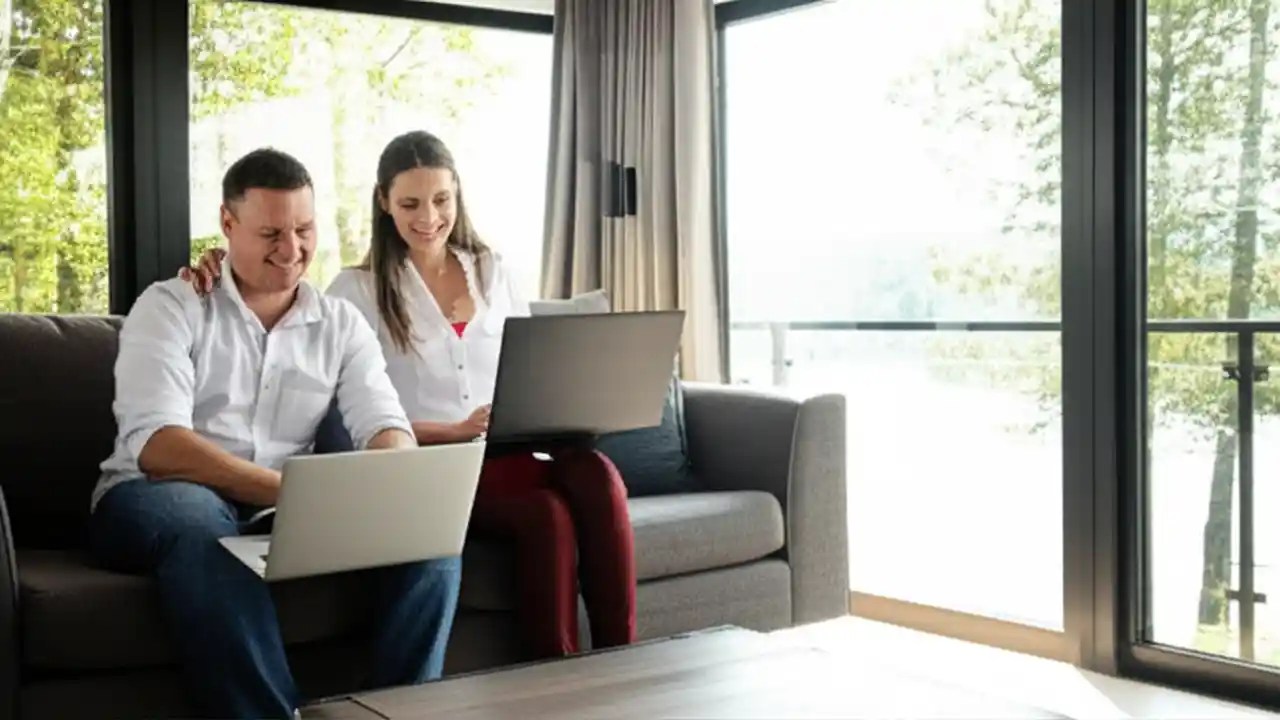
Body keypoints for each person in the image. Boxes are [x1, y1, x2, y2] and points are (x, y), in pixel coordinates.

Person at [182, 130, 637, 660]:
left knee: (597, 474)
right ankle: (556, 678)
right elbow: (341, 420)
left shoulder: (496, 273)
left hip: (511, 448)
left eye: (441, 199)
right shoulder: (355, 292)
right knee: (547, 516)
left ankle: (621, 662)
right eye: (410, 203)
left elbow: (530, 375)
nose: (429, 217)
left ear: (458, 195)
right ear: (384, 203)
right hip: (437, 465)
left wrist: (561, 412)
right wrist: (454, 430)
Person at [95, 148, 463, 720]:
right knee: (204, 531)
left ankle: (394, 712)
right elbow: (158, 445)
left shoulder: (340, 324)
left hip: (283, 508)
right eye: (270, 233)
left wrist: (390, 483)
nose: (291, 251)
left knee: (430, 543)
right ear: (227, 224)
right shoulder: (171, 307)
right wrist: (289, 493)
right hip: (152, 496)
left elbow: (384, 423)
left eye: (304, 229)